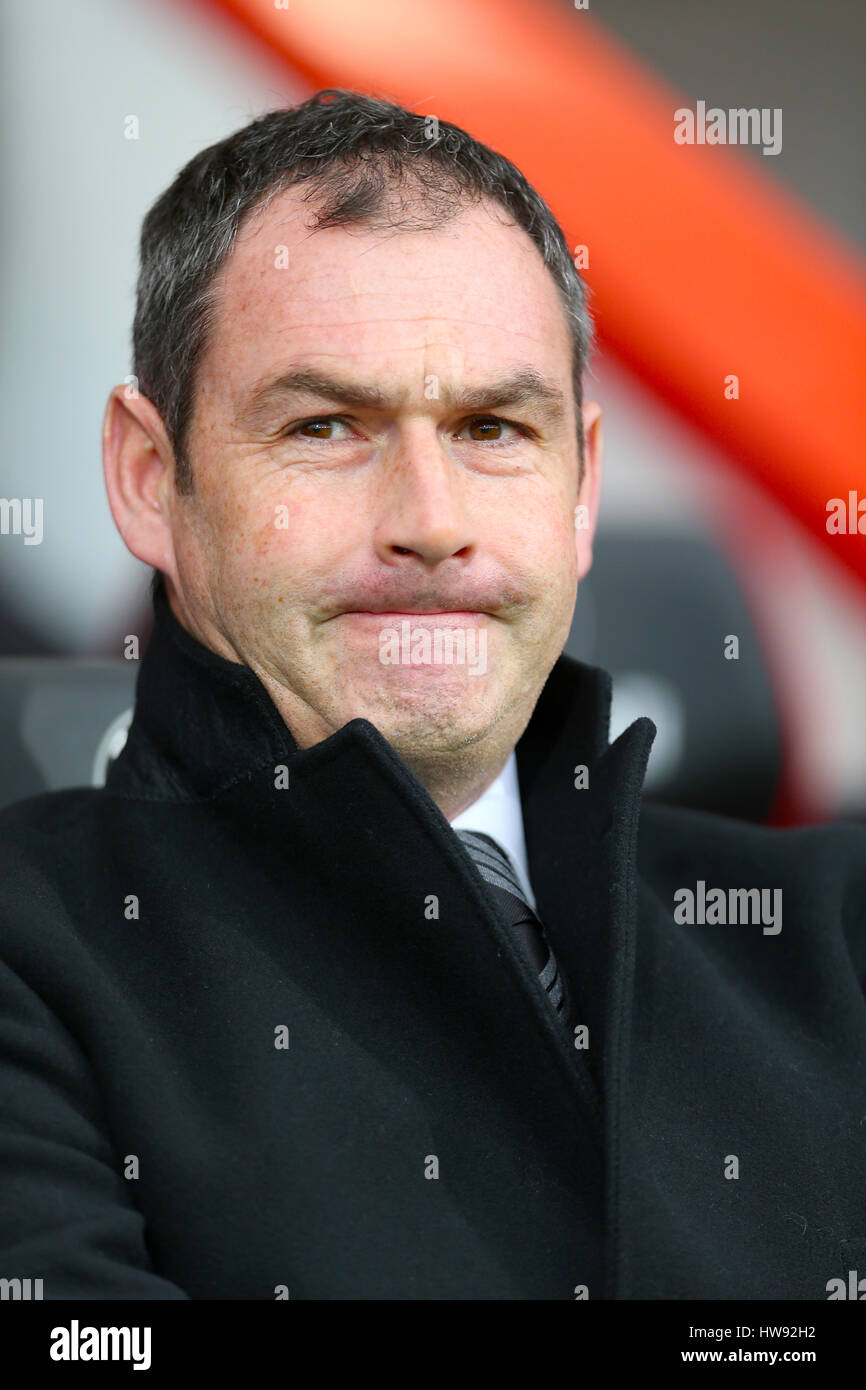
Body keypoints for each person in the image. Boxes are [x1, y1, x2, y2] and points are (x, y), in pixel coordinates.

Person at [1, 89, 864, 1302]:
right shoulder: (31, 955)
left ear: (580, 491)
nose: (431, 522)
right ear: (152, 480)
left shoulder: (832, 929)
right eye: (325, 425)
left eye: (493, 428)